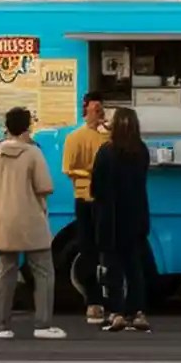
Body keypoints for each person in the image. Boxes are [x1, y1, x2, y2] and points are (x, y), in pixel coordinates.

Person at [0, 107, 66, 340]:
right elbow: (45, 187)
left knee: (5, 273)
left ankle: (3, 327)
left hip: (1, 222)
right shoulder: (33, 153)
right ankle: (43, 324)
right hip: (31, 222)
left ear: (6, 127)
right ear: (28, 127)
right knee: (43, 272)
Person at [92, 107, 153, 333]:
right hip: (136, 216)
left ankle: (116, 313)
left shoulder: (106, 152)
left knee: (113, 268)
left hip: (111, 218)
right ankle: (137, 312)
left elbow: (96, 187)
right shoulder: (142, 151)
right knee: (135, 267)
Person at [62, 92, 110, 324]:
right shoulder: (75, 137)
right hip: (85, 199)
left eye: (101, 108)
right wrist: (94, 174)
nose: (99, 112)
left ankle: (114, 300)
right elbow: (69, 169)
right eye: (95, 108)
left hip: (109, 200)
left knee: (111, 250)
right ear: (86, 110)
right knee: (88, 250)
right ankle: (93, 301)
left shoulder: (110, 136)